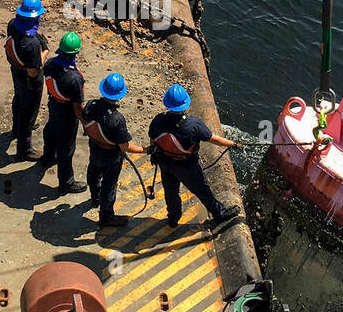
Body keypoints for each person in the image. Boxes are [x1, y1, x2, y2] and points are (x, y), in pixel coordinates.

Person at [148, 84, 242, 230]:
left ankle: (173, 219)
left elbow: (153, 139)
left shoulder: (158, 120)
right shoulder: (193, 124)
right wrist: (232, 143)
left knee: (171, 192)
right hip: (187, 166)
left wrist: (154, 155)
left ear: (167, 103)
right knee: (202, 190)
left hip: (165, 162)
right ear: (185, 104)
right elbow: (213, 139)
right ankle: (219, 213)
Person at [83, 72, 147, 229]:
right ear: (120, 95)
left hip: (95, 148)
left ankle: (94, 197)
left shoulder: (91, 105)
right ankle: (106, 218)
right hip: (111, 157)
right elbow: (125, 146)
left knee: (93, 172)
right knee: (109, 187)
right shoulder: (117, 119)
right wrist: (147, 150)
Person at [40, 30, 85, 194]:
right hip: (67, 113)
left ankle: (47, 157)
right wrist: (84, 122)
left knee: (51, 130)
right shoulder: (74, 78)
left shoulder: (51, 64)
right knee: (66, 148)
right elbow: (77, 106)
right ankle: (66, 182)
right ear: (76, 52)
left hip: (54, 105)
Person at [5, 0, 49, 160]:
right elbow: (34, 70)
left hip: (16, 71)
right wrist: (44, 52)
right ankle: (25, 148)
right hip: (29, 78)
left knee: (19, 99)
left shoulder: (13, 24)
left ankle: (16, 128)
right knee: (29, 110)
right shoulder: (31, 44)